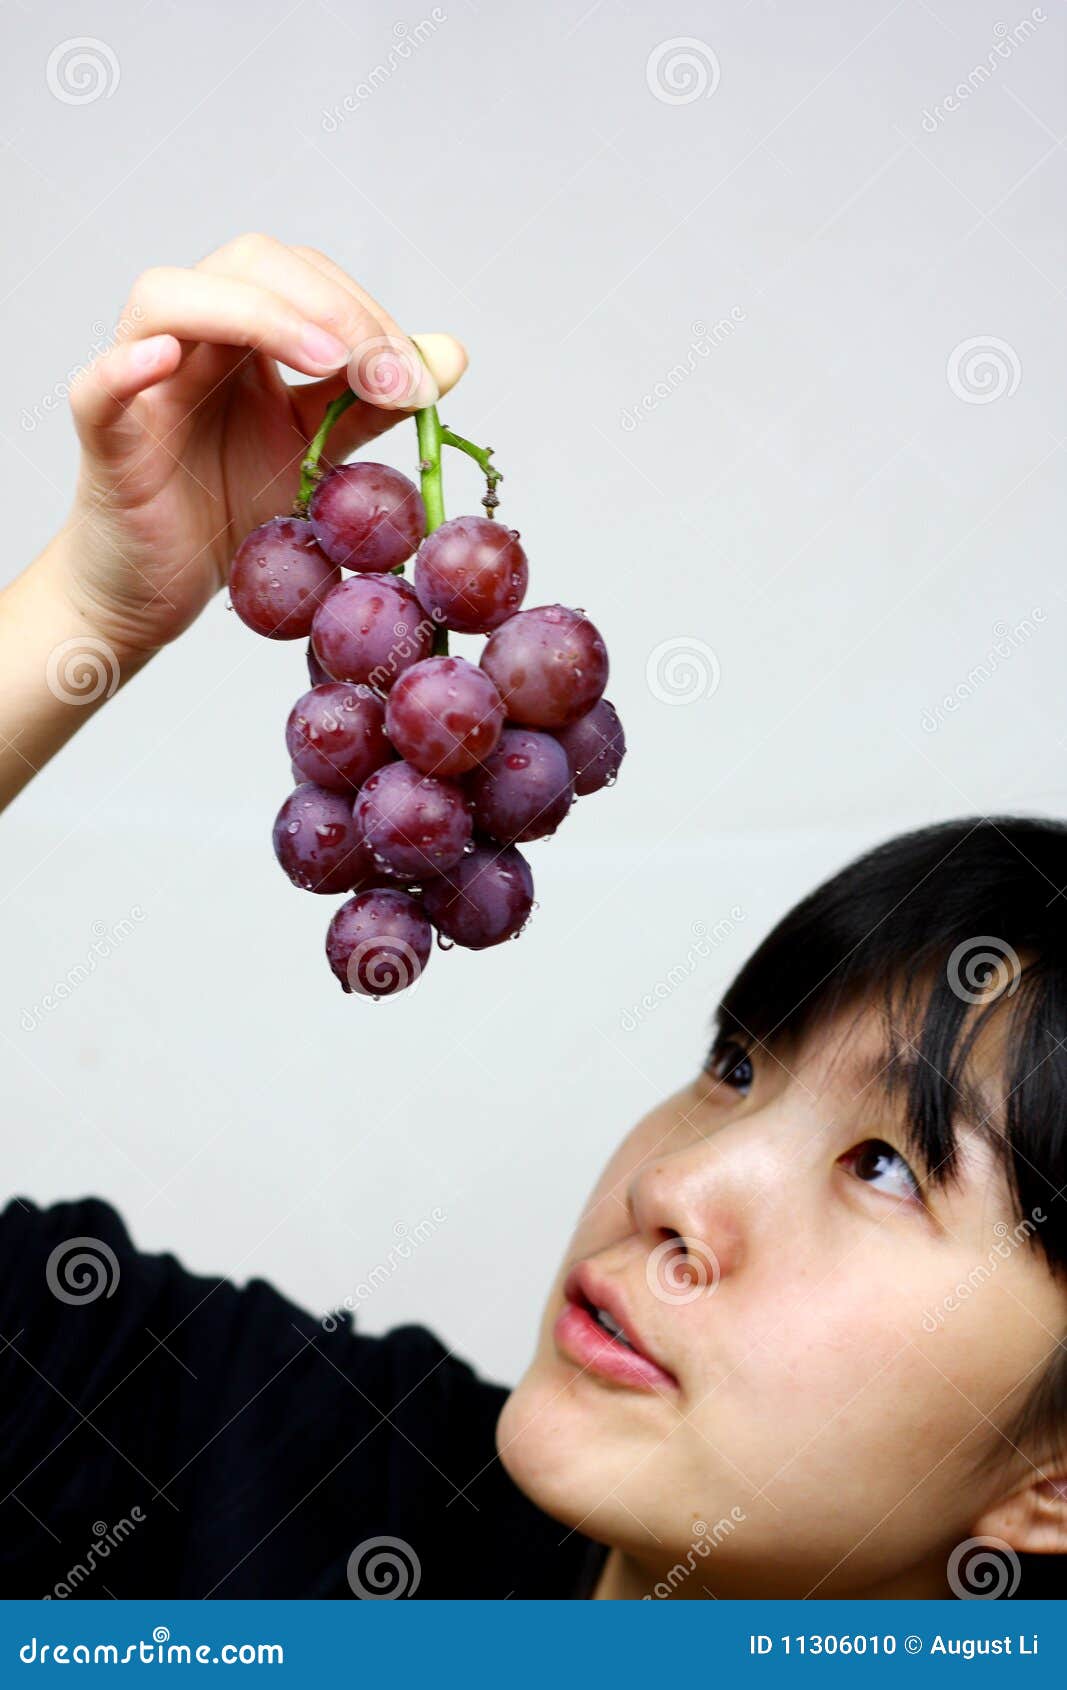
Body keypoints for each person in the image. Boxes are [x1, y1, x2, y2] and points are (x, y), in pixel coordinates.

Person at [2, 236, 1065, 1602]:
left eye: (886, 1165)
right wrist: (87, 610)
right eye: (734, 1067)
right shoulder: (266, 1484)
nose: (672, 1186)